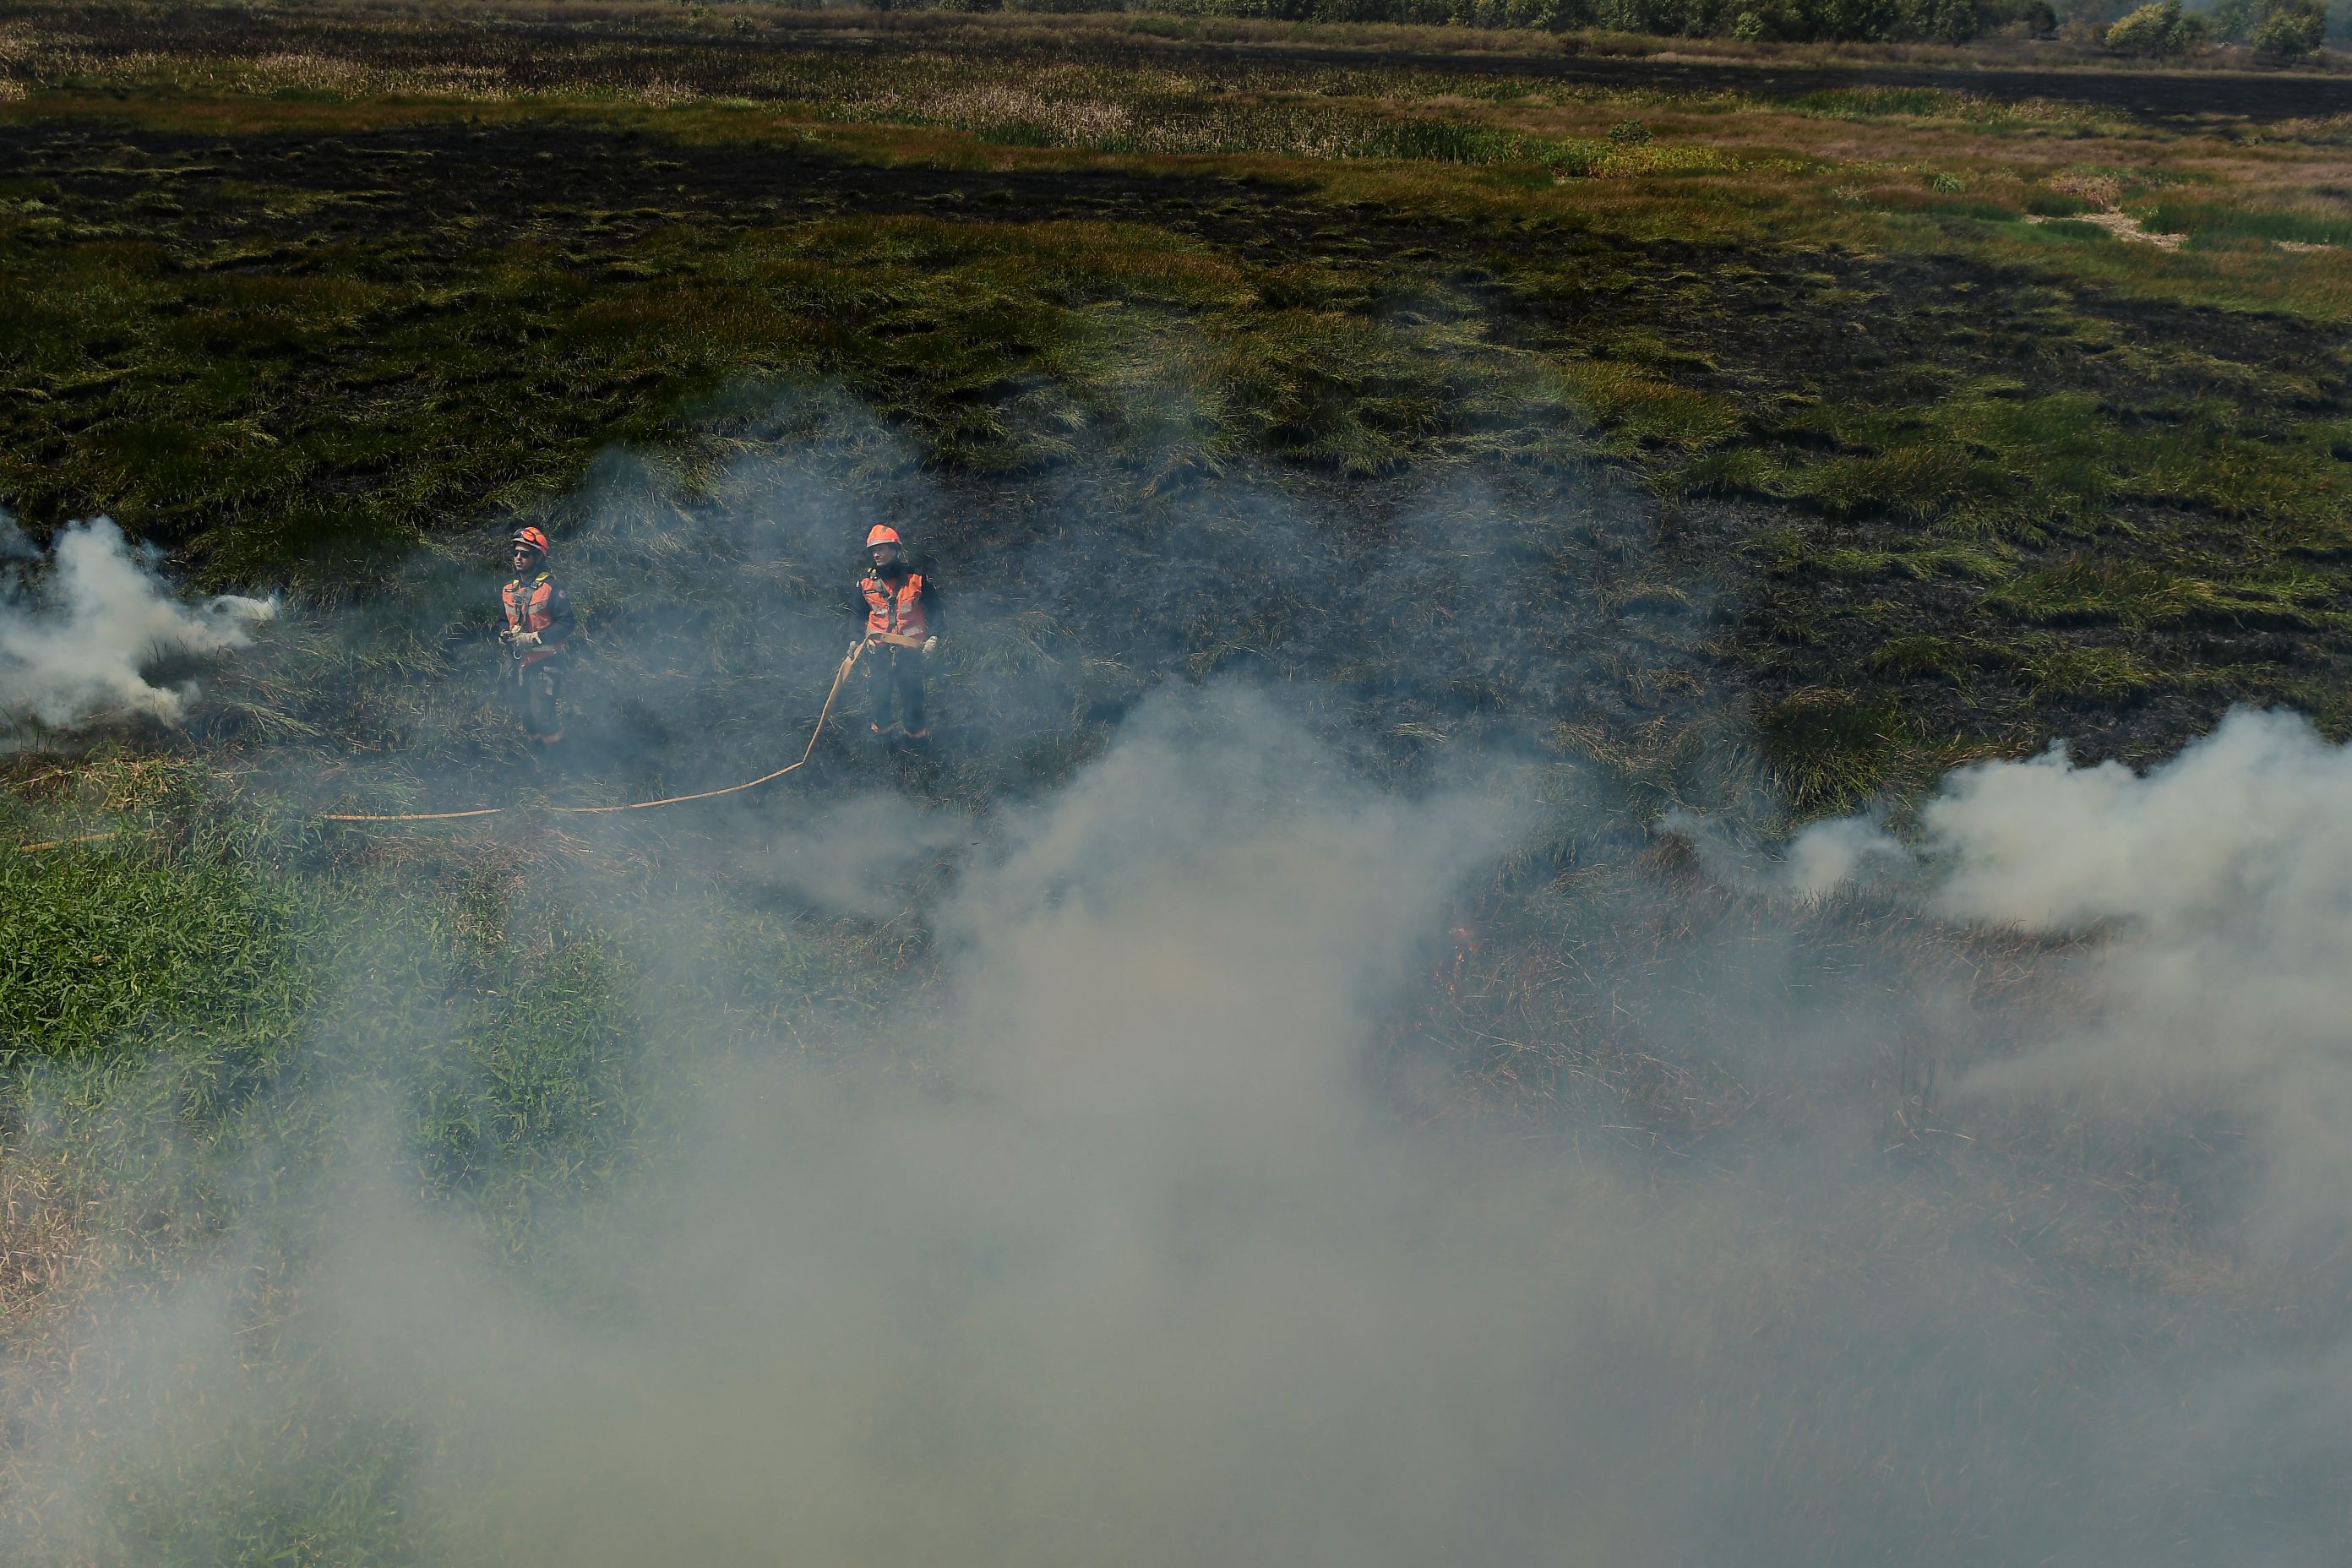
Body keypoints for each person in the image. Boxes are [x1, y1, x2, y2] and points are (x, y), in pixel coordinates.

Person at [852, 524, 942, 743]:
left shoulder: (917, 578)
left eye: (881, 548)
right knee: (879, 699)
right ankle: (883, 744)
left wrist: (934, 637)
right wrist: (855, 641)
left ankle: (917, 744)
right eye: (873, 549)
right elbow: (856, 615)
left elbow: (937, 610)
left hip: (909, 652)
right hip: (878, 653)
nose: (876, 553)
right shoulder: (864, 582)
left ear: (895, 549)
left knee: (913, 700)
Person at [498, 525, 573, 748]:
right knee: (526, 714)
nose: (519, 558)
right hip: (518, 662)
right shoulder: (508, 590)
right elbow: (503, 619)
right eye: (516, 553)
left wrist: (534, 639)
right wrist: (502, 634)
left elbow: (567, 623)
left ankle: (560, 762)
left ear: (539, 557)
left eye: (525, 553)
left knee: (543, 714)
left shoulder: (552, 588)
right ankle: (539, 757)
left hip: (546, 662)